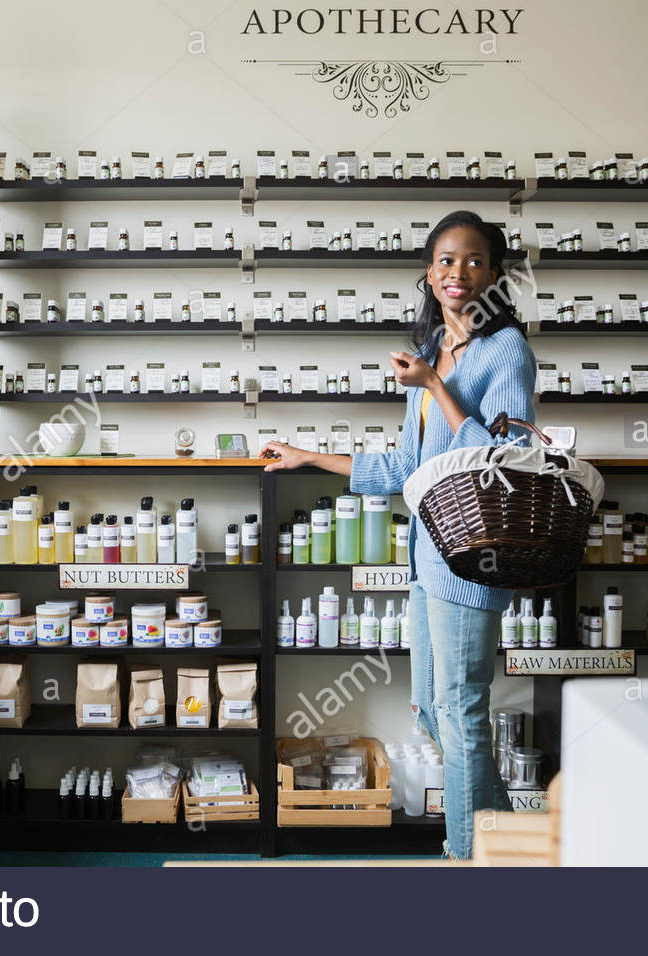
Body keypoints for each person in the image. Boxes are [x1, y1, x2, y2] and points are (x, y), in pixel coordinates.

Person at [262, 210, 537, 858]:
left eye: (473, 261)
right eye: (445, 260)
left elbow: (502, 462)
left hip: (472, 558)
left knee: (463, 711)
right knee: (435, 711)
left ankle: (467, 857)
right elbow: (408, 468)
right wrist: (311, 456)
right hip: (426, 556)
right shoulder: (432, 353)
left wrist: (437, 386)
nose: (457, 273)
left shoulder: (506, 353)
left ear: (495, 274)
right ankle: (508, 841)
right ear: (427, 272)